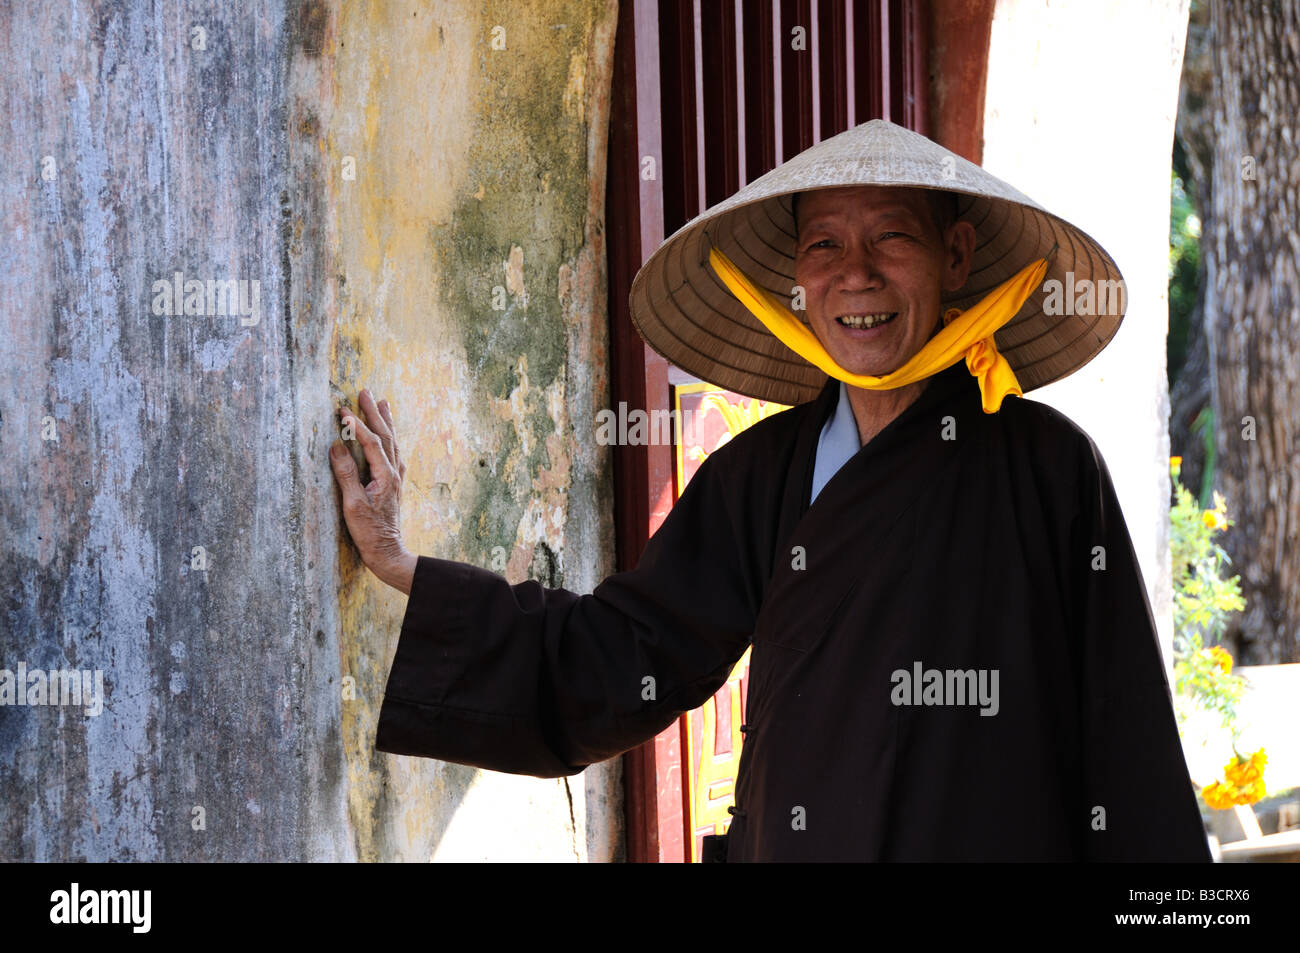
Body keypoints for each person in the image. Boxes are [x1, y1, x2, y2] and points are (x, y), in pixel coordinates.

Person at [329, 119, 1211, 862]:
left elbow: (1125, 734)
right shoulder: (764, 476)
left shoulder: (1049, 470)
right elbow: (620, 654)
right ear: (795, 277)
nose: (855, 274)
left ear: (957, 252)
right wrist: (403, 566)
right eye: (824, 244)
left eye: (891, 236)